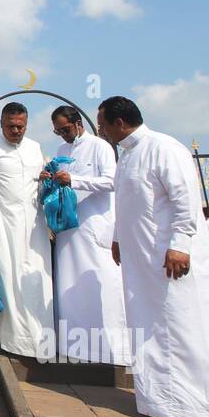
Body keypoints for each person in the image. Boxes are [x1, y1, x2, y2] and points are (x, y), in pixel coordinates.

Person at [99, 96, 209, 417]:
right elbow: (126, 202)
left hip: (170, 257)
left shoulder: (164, 148)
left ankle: (208, 407)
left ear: (119, 122)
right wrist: (117, 237)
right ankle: (162, 402)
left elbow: (184, 198)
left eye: (102, 122)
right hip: (143, 263)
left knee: (186, 326)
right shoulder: (127, 156)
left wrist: (180, 244)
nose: (99, 129)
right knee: (152, 327)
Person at [41, 106, 131, 365]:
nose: (62, 136)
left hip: (94, 223)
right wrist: (49, 179)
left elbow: (112, 182)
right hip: (68, 227)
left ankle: (110, 348)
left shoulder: (100, 146)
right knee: (69, 284)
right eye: (57, 131)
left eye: (65, 130)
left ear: (78, 123)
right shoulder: (60, 151)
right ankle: (75, 346)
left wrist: (75, 180)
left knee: (101, 284)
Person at [0, 101, 54, 358]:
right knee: (7, 278)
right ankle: (13, 340)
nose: (16, 131)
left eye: (21, 127)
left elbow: (42, 180)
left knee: (37, 279)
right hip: (1, 225)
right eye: (11, 126)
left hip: (34, 226)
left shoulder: (35, 148)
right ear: (2, 124)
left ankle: (39, 338)